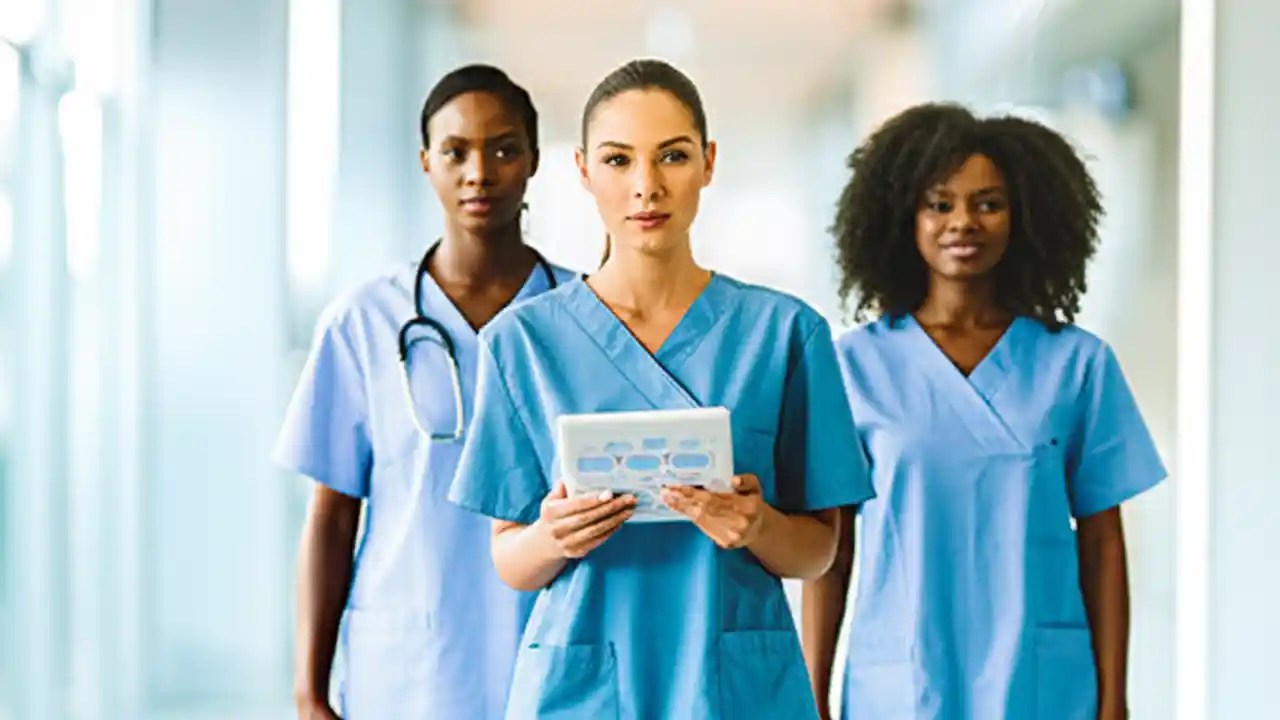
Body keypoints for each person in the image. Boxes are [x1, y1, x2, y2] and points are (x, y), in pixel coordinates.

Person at [447, 59, 875, 719]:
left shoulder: (786, 333)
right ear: (584, 171)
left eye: (672, 156)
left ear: (707, 163)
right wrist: (554, 536)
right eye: (619, 161)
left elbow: (818, 552)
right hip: (581, 684)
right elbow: (509, 558)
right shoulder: (522, 344)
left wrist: (755, 523)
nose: (646, 187)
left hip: (733, 687)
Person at [802, 103, 1167, 720]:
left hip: (1042, 681)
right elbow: (831, 551)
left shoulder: (1076, 365)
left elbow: (1104, 544)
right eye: (939, 204)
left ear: (1023, 215)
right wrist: (810, 696)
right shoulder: (853, 368)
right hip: (901, 681)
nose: (963, 222)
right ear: (903, 218)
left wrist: (1114, 700)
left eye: (988, 203)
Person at [273, 64, 575, 719]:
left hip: (554, 657)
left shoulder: (584, 317)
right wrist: (308, 690)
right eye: (456, 151)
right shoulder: (363, 322)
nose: (480, 172)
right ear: (426, 162)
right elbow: (330, 516)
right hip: (408, 669)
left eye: (503, 148)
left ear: (533, 160)